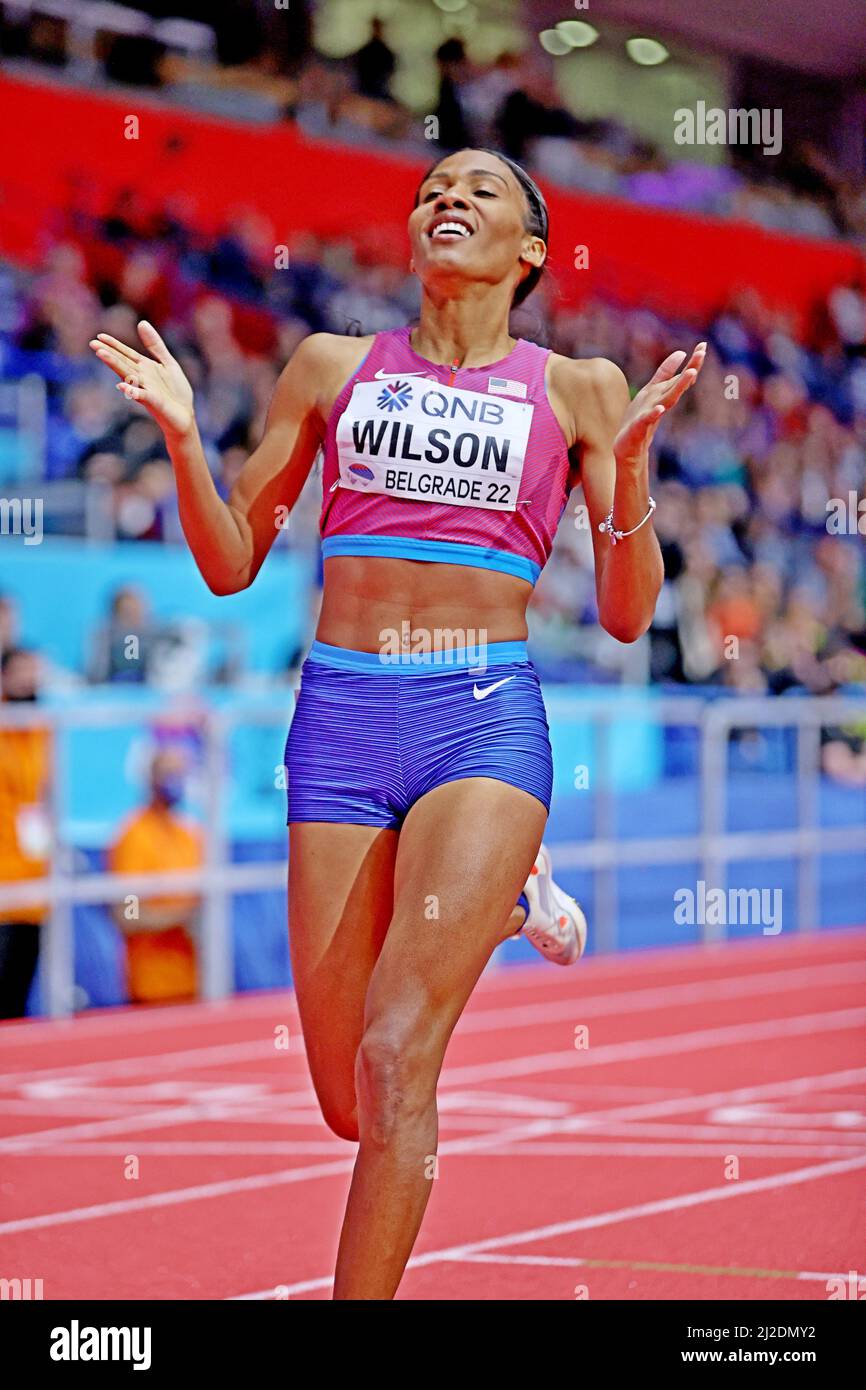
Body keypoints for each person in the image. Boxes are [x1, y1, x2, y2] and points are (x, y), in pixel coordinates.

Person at [90, 146, 704, 1298]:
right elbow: (229, 565)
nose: (445, 199)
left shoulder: (578, 388)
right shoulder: (329, 367)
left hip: (479, 723)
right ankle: (511, 893)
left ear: (529, 250)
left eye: (477, 189)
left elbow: (626, 620)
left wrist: (628, 482)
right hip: (339, 719)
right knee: (344, 1098)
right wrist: (181, 437)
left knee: (395, 1058)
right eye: (431, 189)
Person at [109, 747, 202, 1004]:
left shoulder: (189, 835)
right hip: (151, 985)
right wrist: (179, 919)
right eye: (170, 774)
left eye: (182, 774)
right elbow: (128, 915)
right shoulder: (134, 836)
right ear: (152, 779)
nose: (177, 782)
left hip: (194, 981)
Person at [0, 647, 50, 1019]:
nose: (28, 680)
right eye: (20, 672)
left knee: (19, 996)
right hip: (4, 881)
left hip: (34, 882)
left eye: (33, 671)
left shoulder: (43, 731)